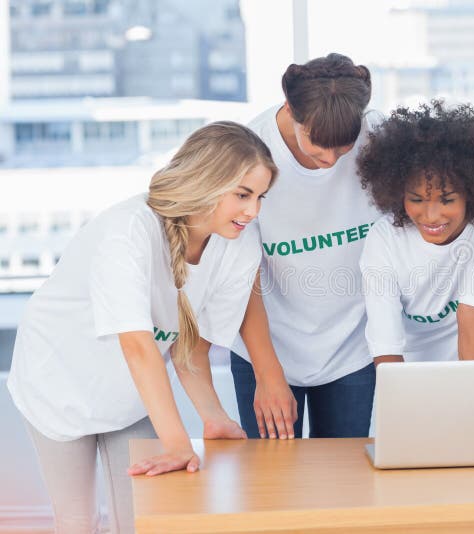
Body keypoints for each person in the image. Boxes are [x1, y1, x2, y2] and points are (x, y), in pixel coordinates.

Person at [7, 121, 277, 533]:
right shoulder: (129, 230)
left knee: (142, 519)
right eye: (243, 195)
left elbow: (191, 348)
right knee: (78, 522)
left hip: (130, 396)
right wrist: (177, 444)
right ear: (206, 180)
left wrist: (213, 416)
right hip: (58, 383)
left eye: (260, 197)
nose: (253, 211)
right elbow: (137, 346)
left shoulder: (239, 244)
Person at [229, 53, 382, 440]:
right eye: (318, 147)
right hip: (266, 347)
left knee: (343, 473)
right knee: (273, 474)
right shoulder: (247, 153)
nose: (330, 161)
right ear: (289, 108)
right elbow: (240, 276)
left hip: (352, 348)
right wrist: (268, 374)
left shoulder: (379, 137)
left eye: (343, 149)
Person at [357, 100, 474, 364]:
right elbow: (385, 341)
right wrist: (401, 390)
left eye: (447, 200)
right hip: (416, 375)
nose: (431, 216)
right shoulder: (384, 239)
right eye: (416, 199)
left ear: (472, 192)